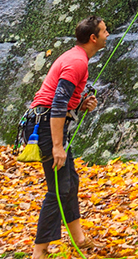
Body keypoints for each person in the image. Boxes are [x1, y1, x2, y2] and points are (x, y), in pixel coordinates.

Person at [27, 16, 109, 258]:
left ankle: (79, 239)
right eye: (104, 31)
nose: (107, 34)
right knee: (59, 189)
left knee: (70, 182)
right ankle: (39, 252)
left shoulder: (77, 57)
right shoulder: (76, 62)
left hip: (50, 125)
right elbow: (57, 104)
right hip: (46, 127)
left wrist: (81, 104)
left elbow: (63, 100)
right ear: (93, 38)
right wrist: (57, 146)